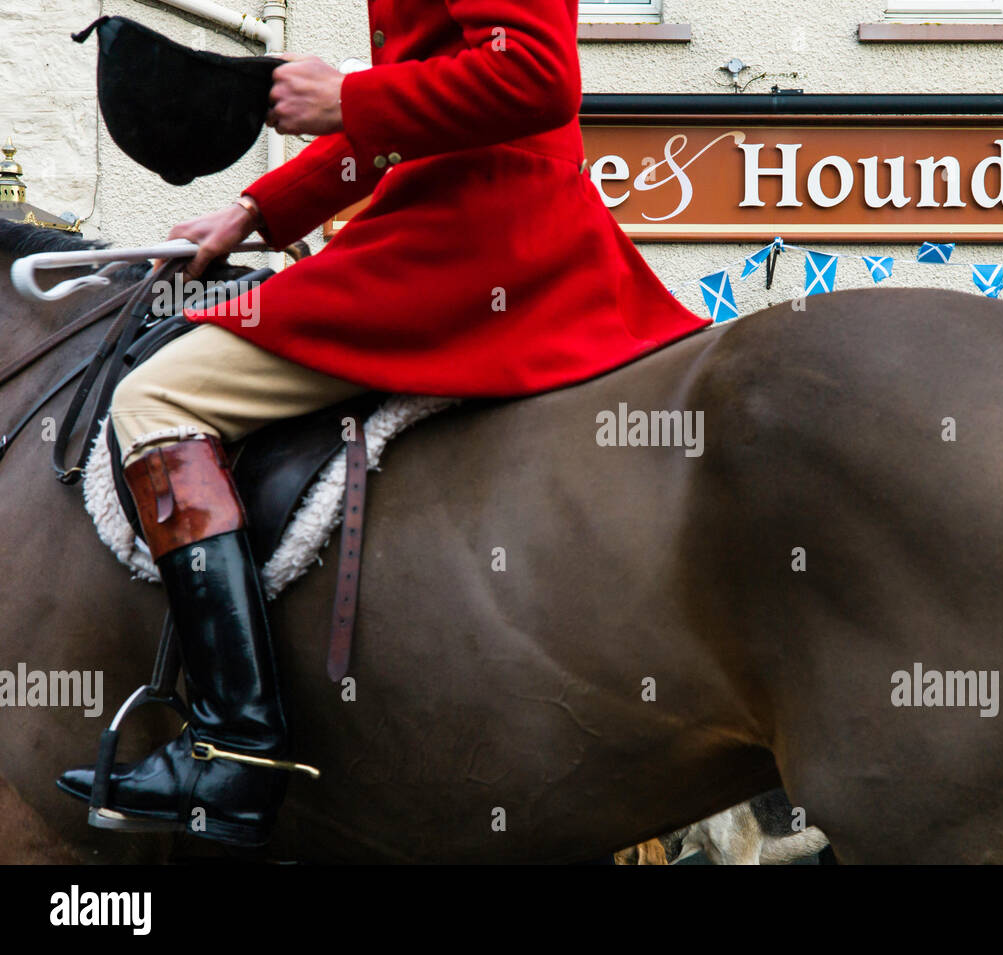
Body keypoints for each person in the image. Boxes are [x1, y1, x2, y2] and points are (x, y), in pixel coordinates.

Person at [56, 0, 710, 847]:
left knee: (155, 399)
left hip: (470, 240)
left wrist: (349, 98)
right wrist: (255, 212)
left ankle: (239, 747)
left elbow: (538, 76)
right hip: (485, 224)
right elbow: (433, 109)